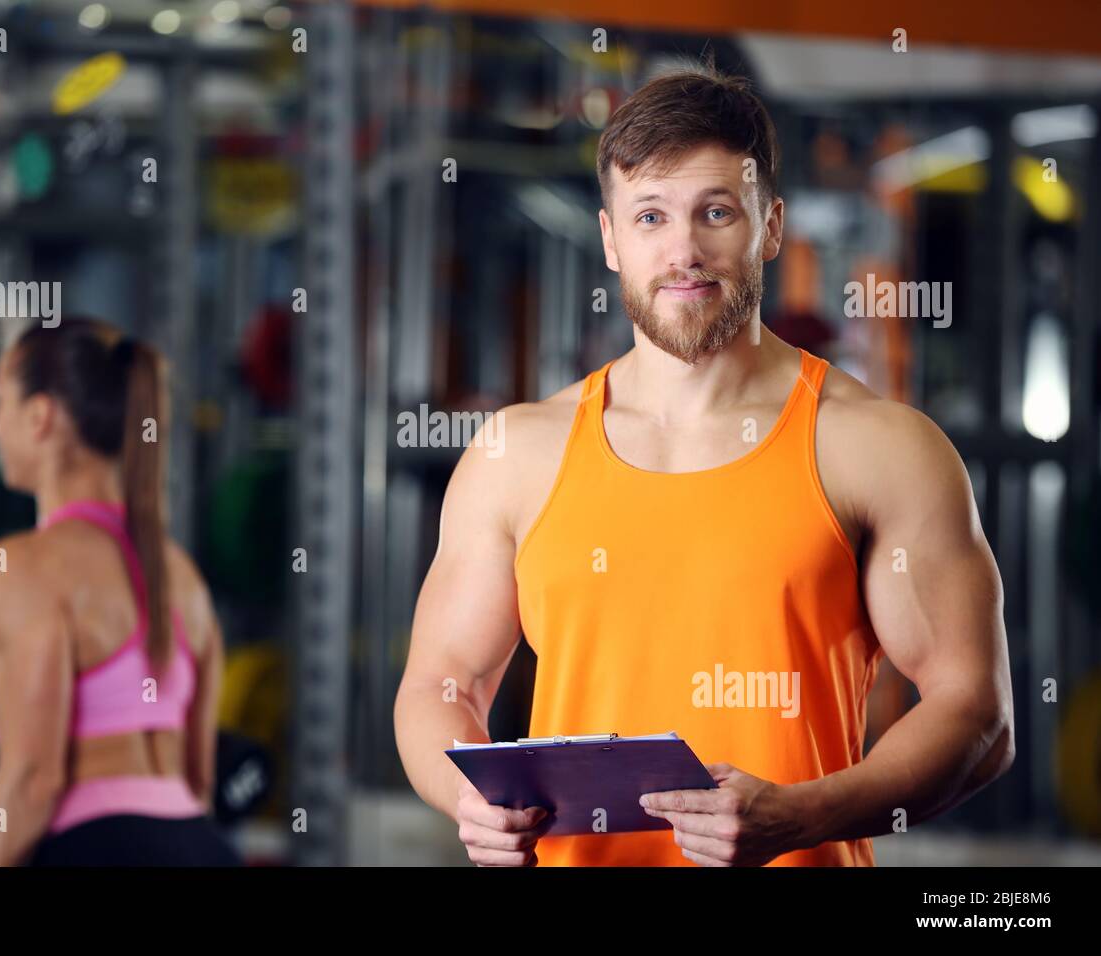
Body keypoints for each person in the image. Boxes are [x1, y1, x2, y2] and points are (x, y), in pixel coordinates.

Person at [394, 64, 1014, 866]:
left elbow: (978, 712)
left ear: (772, 226)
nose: (683, 248)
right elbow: (439, 684)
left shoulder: (879, 446)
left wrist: (806, 814)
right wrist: (467, 800)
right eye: (650, 216)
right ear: (612, 240)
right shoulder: (517, 453)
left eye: (715, 212)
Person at [0, 317, 236, 866]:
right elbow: (199, 778)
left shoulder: (21, 566)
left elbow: (34, 780)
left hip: (95, 849)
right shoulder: (183, 577)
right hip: (201, 848)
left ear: (40, 416)